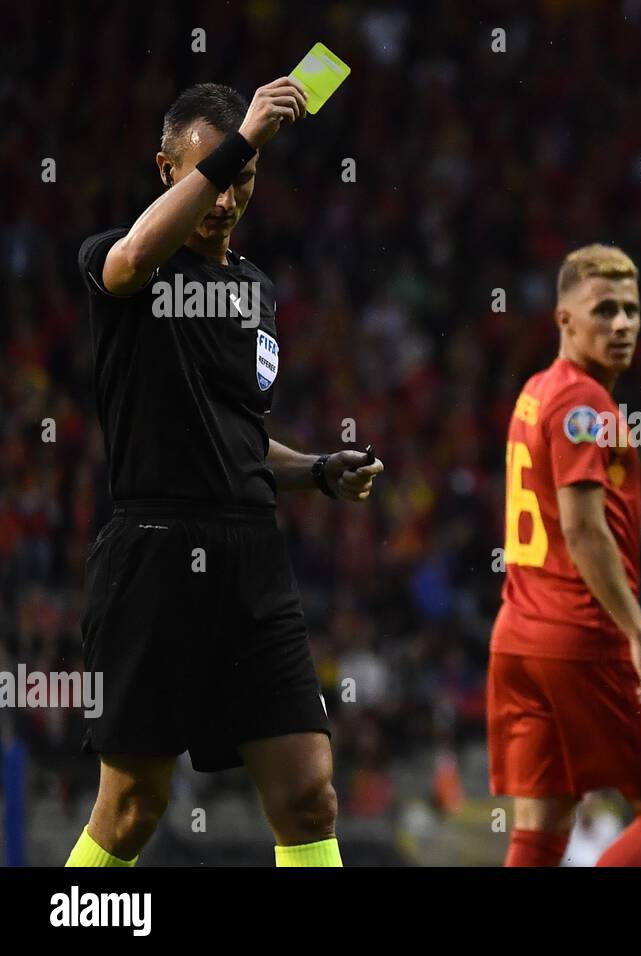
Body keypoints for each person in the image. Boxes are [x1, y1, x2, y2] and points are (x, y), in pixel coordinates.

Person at [68, 79, 384, 867]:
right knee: (134, 807)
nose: (229, 196)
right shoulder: (123, 261)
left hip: (252, 560)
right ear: (167, 170)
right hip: (153, 553)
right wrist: (244, 136)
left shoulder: (255, 292)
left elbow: (238, 439)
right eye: (214, 173)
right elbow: (135, 257)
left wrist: (315, 469)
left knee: (309, 795)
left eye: (245, 178)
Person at [488, 245, 641, 866]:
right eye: (604, 310)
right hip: (583, 638)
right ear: (563, 319)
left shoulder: (535, 392)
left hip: (519, 641)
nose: (623, 324)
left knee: (542, 829)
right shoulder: (586, 405)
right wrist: (639, 634)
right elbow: (582, 532)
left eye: (631, 310)